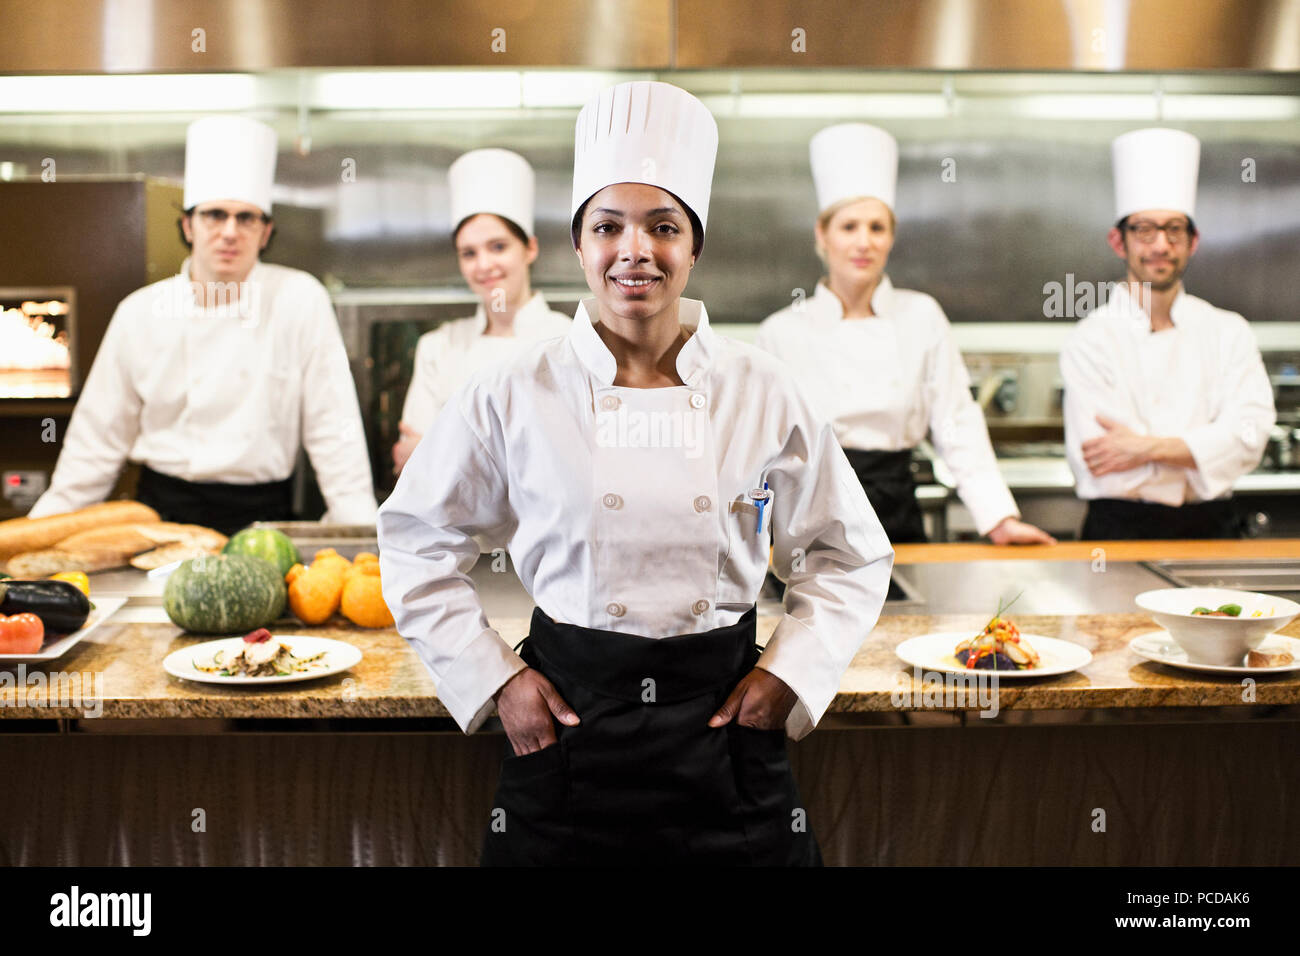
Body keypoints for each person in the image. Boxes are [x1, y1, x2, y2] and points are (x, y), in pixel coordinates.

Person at [378, 81, 893, 866]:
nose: (635, 250)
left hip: (726, 728)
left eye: (663, 226)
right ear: (579, 246)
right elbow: (416, 539)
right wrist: (496, 680)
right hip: (568, 730)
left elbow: (847, 554)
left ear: (695, 246)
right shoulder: (513, 390)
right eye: (608, 226)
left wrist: (791, 671)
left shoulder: (764, 387)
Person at [29, 116, 377, 535]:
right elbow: (96, 442)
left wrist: (362, 536)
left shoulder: (300, 300)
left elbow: (333, 427)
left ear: (265, 232)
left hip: (263, 524)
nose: (230, 232)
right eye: (215, 215)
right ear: (187, 225)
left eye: (246, 218)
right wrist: (38, 534)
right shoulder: (139, 313)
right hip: (161, 520)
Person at [757, 123, 1054, 545]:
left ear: (891, 237)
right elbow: (762, 450)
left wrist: (998, 519)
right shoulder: (781, 332)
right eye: (849, 227)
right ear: (822, 235)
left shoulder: (921, 316)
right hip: (811, 520)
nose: (864, 242)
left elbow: (956, 421)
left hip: (896, 513)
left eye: (877, 228)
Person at [1060, 128, 1275, 539]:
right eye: (1144, 229)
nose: (1160, 244)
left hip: (1211, 530)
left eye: (1174, 229)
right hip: (1119, 531)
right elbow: (1101, 459)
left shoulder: (1229, 331)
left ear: (1192, 242)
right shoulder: (1091, 338)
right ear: (1118, 242)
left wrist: (1143, 448)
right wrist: (1203, 449)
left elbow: (1250, 436)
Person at [391, 148, 571, 474]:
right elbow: (412, 469)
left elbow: (567, 465)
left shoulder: (567, 342)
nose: (484, 265)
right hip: (453, 528)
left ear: (530, 248)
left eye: (498, 247)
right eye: (469, 253)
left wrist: (441, 454)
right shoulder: (439, 347)